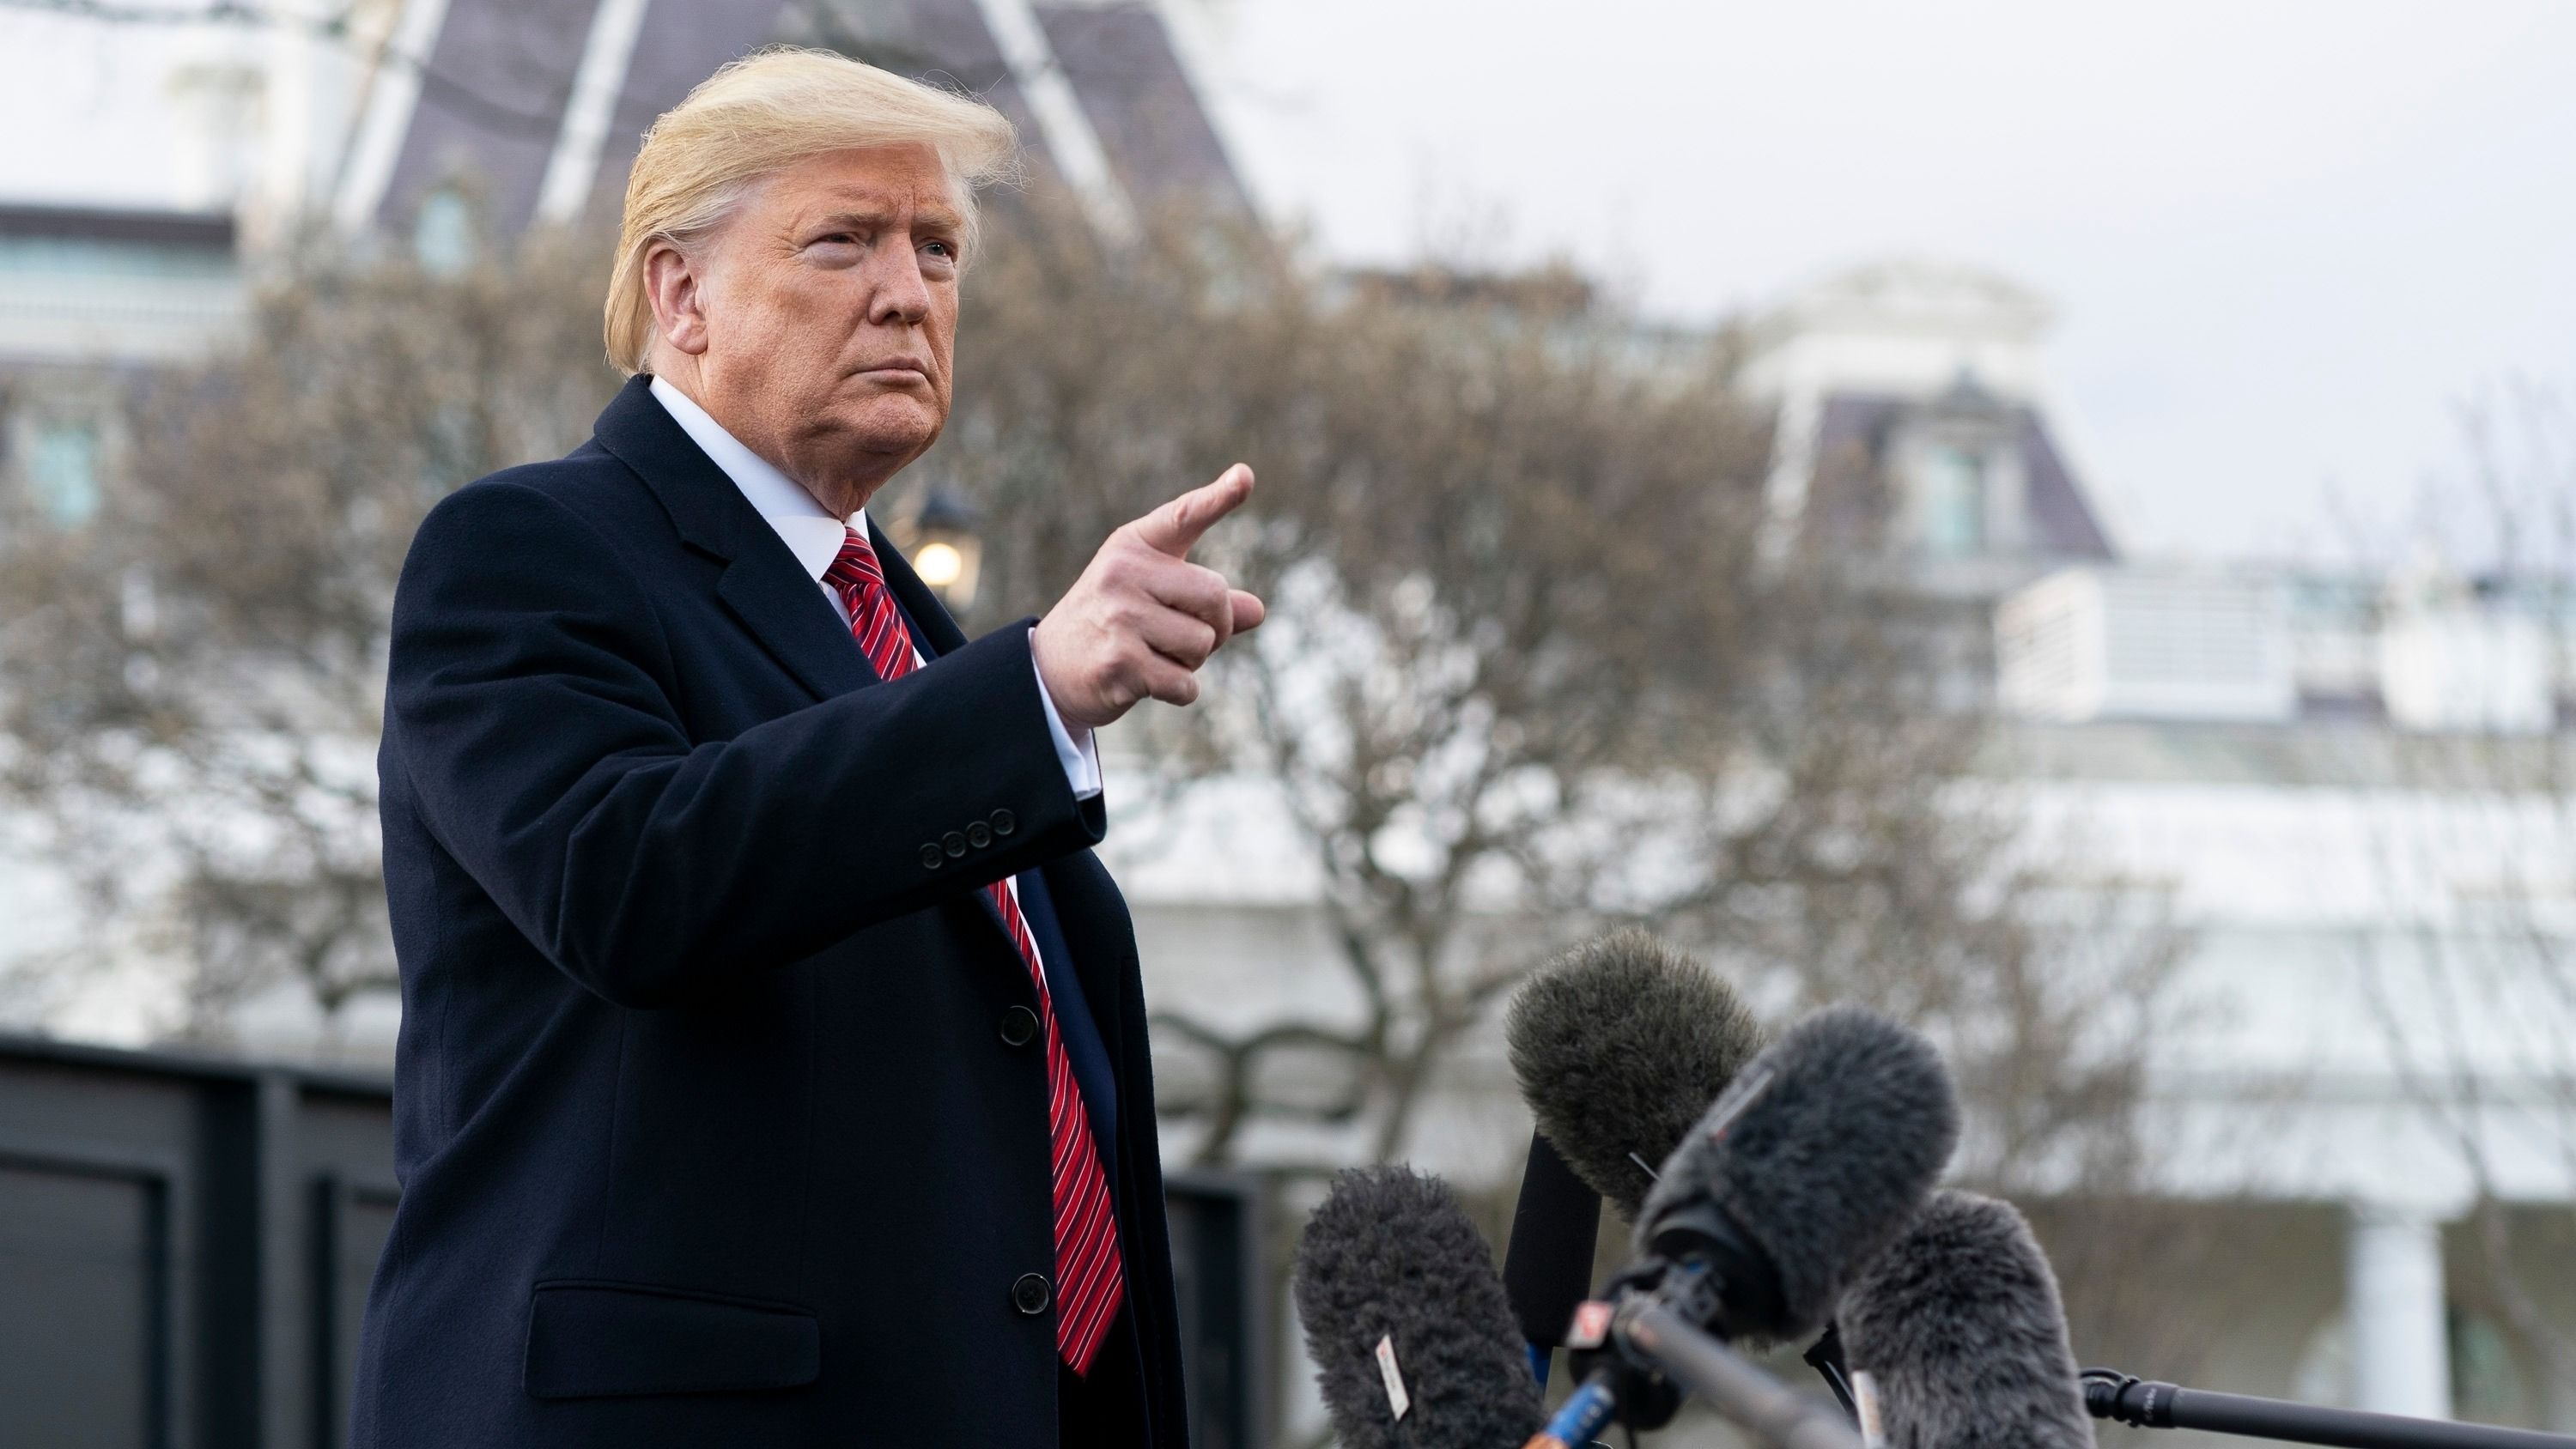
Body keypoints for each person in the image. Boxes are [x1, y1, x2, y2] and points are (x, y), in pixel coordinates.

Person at [351, 47, 1261, 1449]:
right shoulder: (523, 549)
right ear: (681, 294)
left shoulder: (911, 632)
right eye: (844, 241)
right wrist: (1028, 696)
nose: (908, 291)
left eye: (937, 248)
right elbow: (625, 880)